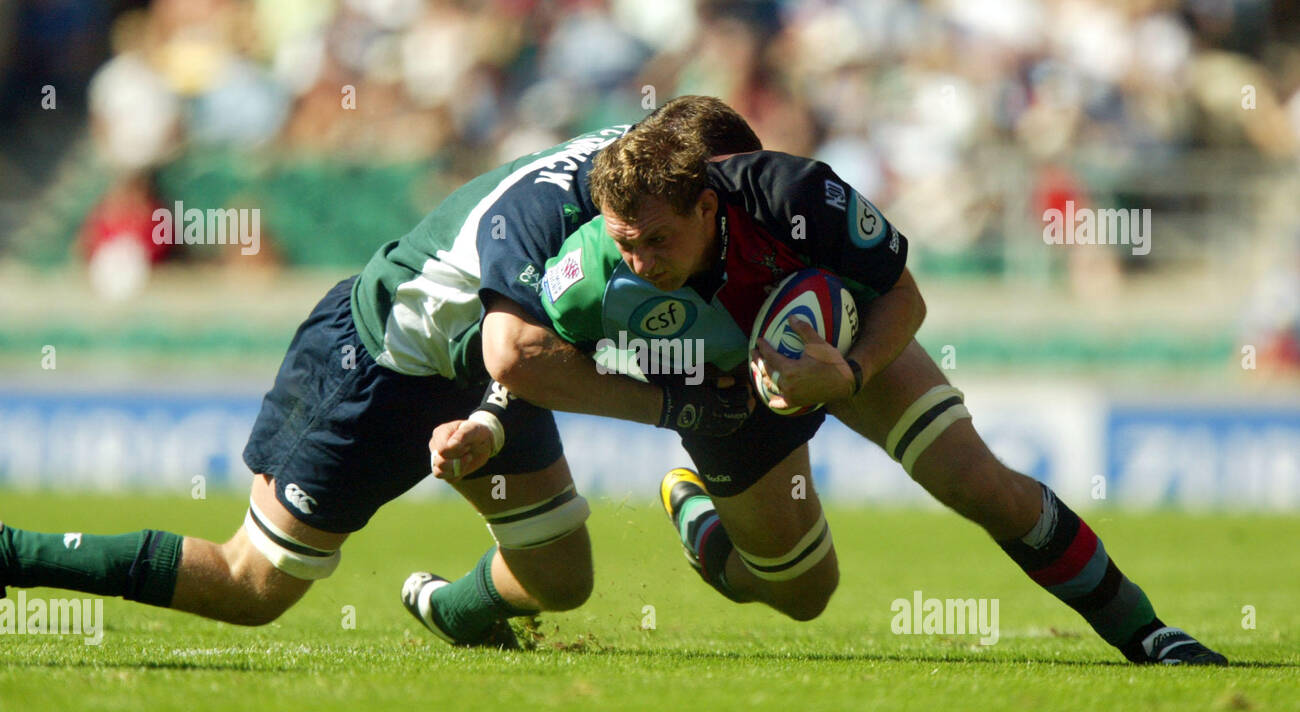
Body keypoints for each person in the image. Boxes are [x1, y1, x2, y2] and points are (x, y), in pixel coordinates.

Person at [439, 100, 1227, 665]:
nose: (640, 259)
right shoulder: (592, 271)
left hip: (840, 341)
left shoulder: (797, 197)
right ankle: (697, 512)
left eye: (657, 241)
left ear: (711, 203)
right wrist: (488, 422)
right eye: (625, 242)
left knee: (981, 484)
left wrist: (847, 368)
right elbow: (533, 357)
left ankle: (1148, 634)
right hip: (726, 403)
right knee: (800, 593)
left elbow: (904, 296)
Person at [0, 109, 753, 649]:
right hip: (378, 361)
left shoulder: (636, 169)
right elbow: (520, 353)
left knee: (559, 579)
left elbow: (535, 343)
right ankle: (10, 553)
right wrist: (678, 405)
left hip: (484, 357)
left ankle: (449, 614)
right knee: (249, 585)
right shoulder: (561, 218)